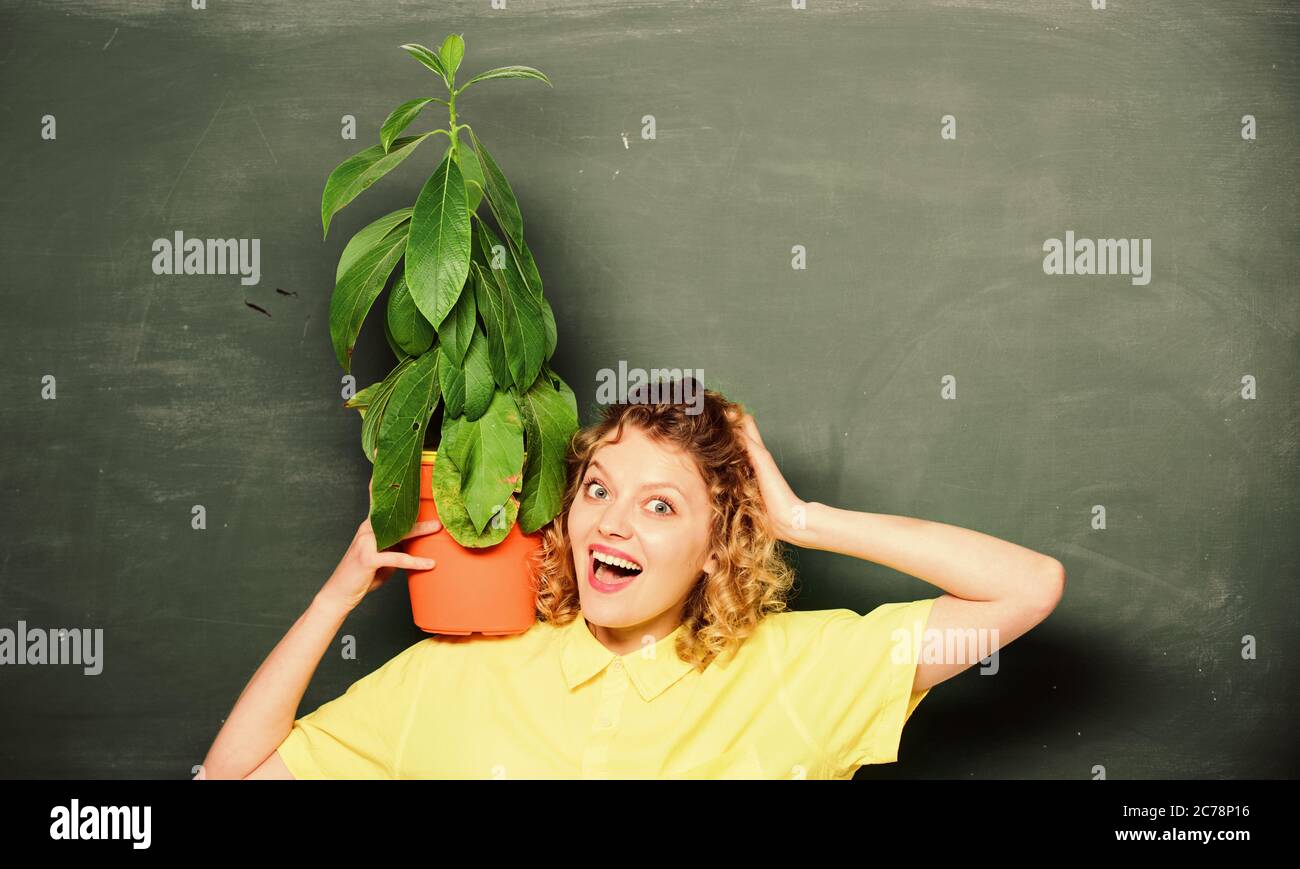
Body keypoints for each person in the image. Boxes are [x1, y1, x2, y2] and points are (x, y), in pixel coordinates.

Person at [197, 377, 1064, 780]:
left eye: (659, 507)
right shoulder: (462, 668)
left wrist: (802, 521)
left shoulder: (801, 671)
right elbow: (234, 776)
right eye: (600, 489)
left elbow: (1025, 587)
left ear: (720, 544)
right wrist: (338, 592)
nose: (611, 521)